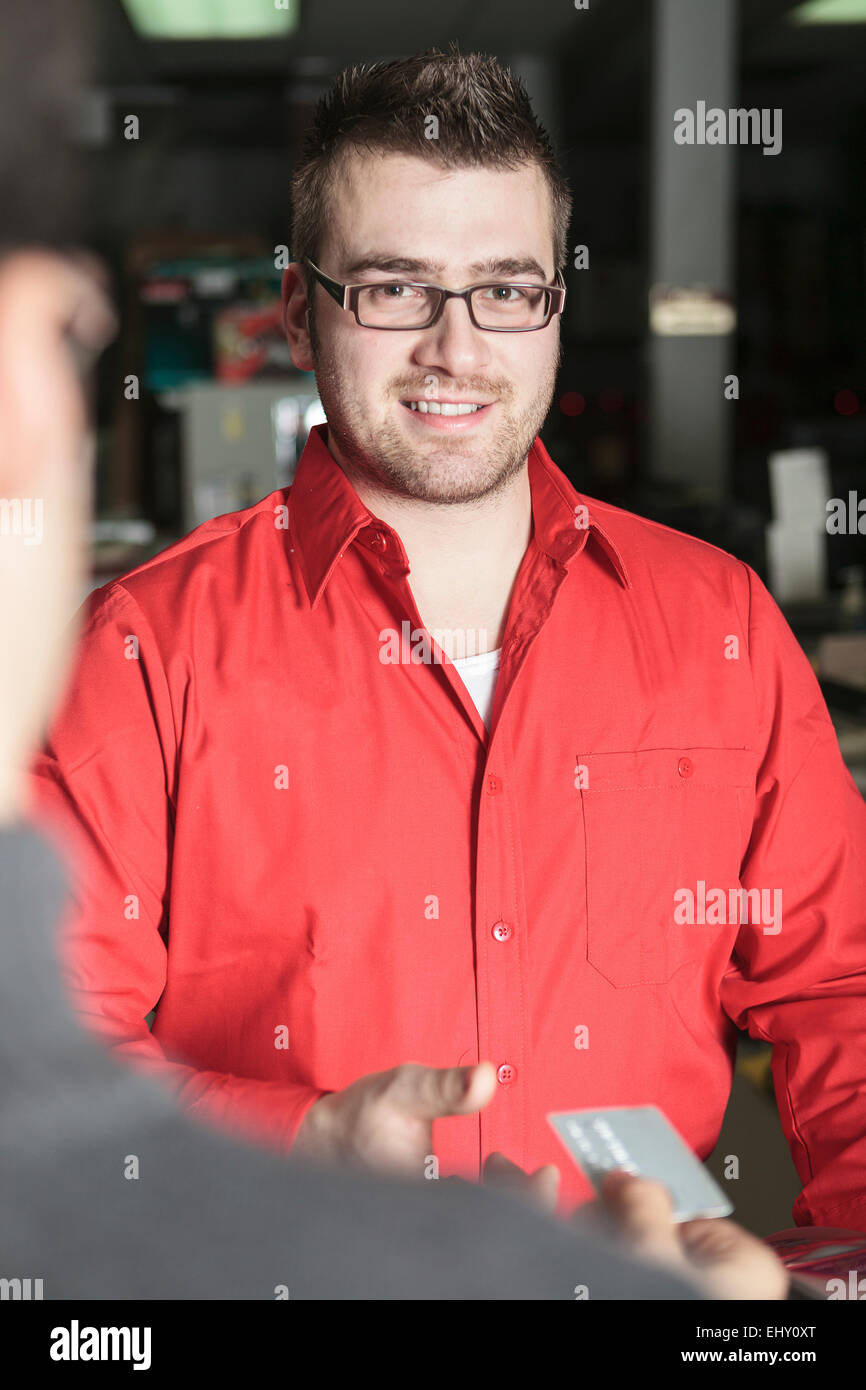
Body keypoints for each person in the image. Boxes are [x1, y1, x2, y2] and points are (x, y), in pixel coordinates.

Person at [26, 48, 865, 1235]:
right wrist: (308, 1135)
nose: (457, 349)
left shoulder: (715, 623)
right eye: (392, 288)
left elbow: (839, 988)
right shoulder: (144, 651)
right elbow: (46, 1072)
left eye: (505, 290)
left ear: (552, 310)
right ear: (296, 313)